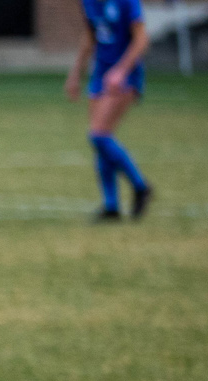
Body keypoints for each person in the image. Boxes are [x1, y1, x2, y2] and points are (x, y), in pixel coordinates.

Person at [67, 0, 152, 221]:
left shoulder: (127, 2)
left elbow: (142, 40)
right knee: (101, 140)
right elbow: (90, 35)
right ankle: (111, 206)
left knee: (98, 135)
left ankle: (140, 186)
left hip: (124, 75)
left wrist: (121, 71)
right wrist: (76, 72)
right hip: (100, 73)